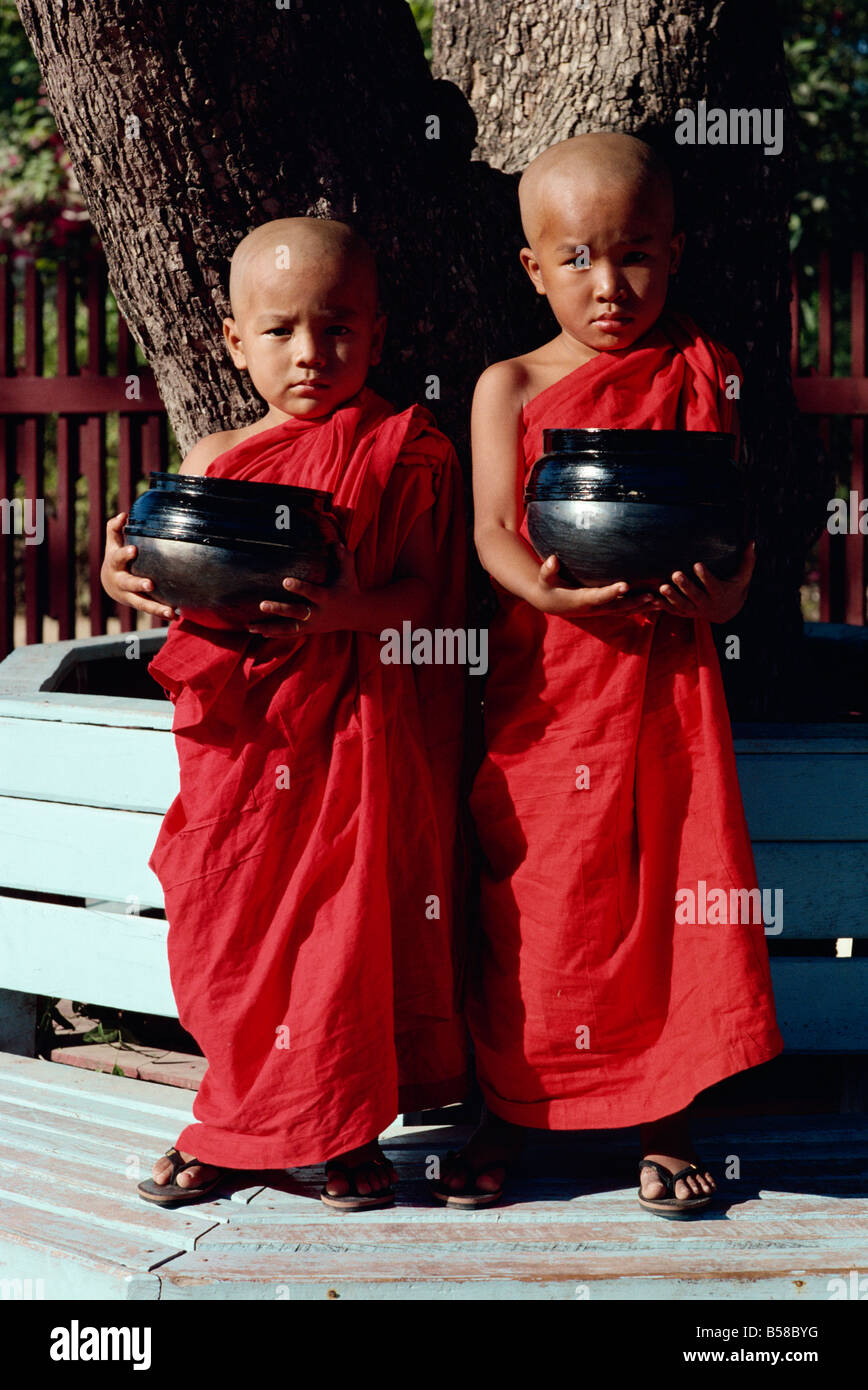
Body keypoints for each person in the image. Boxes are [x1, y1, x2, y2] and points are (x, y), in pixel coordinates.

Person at [432, 132, 783, 1217]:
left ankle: (662, 1115)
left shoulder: (699, 367)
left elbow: (730, 529)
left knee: (666, 892)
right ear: (532, 268)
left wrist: (718, 601)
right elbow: (493, 531)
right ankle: (509, 1109)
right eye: (577, 257)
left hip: (668, 683)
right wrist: (543, 595)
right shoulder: (508, 384)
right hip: (546, 687)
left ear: (673, 253)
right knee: (539, 896)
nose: (610, 284)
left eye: (634, 254)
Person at [101, 217, 468, 1211]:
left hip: (347, 738)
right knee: (229, 932)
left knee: (339, 938)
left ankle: (339, 1132)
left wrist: (346, 613)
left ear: (378, 334)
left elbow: (427, 595)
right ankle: (238, 1120)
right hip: (237, 743)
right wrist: (121, 573)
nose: (311, 353)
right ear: (232, 341)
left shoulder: (407, 449)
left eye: (338, 326)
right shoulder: (215, 454)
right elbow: (171, 581)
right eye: (280, 331)